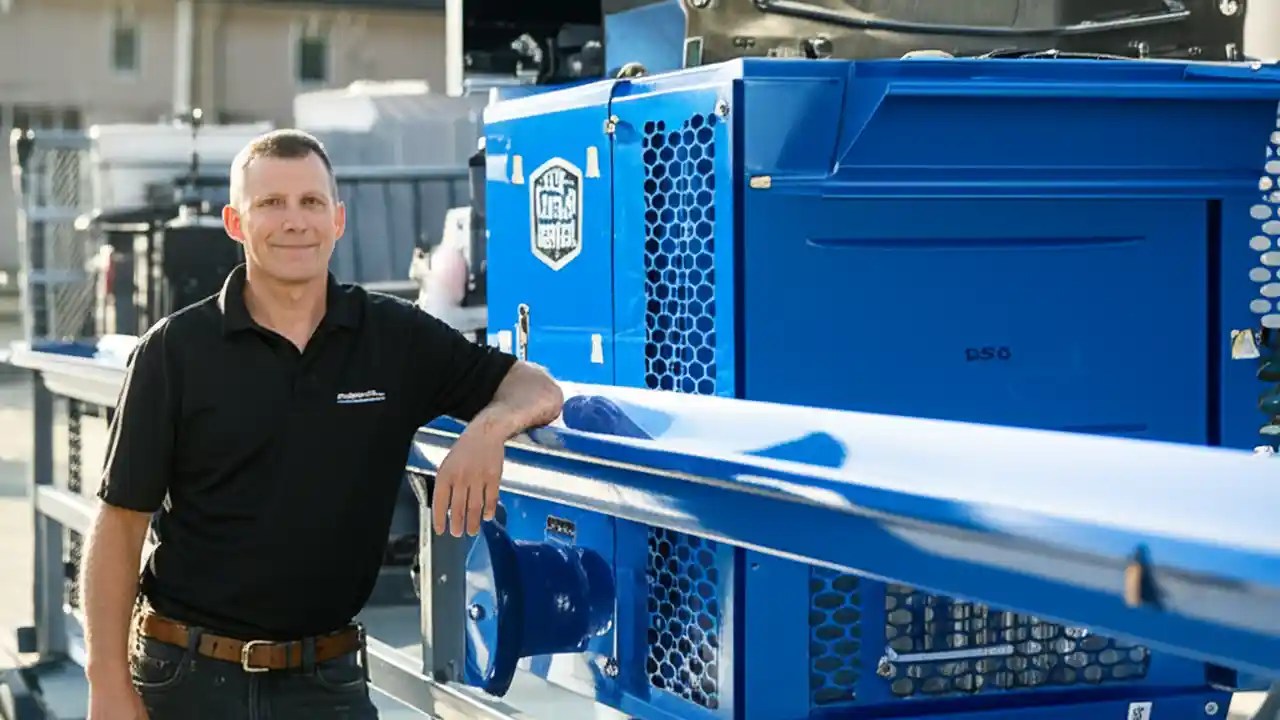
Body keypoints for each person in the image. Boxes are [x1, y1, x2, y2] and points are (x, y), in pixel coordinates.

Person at [80, 129, 564, 720]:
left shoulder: (392, 337)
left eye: (310, 203)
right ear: (236, 222)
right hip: (186, 677)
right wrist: (106, 682)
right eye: (271, 204)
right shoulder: (174, 351)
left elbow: (537, 388)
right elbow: (121, 524)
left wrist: (486, 431)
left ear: (337, 220)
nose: (294, 222)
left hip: (325, 682)